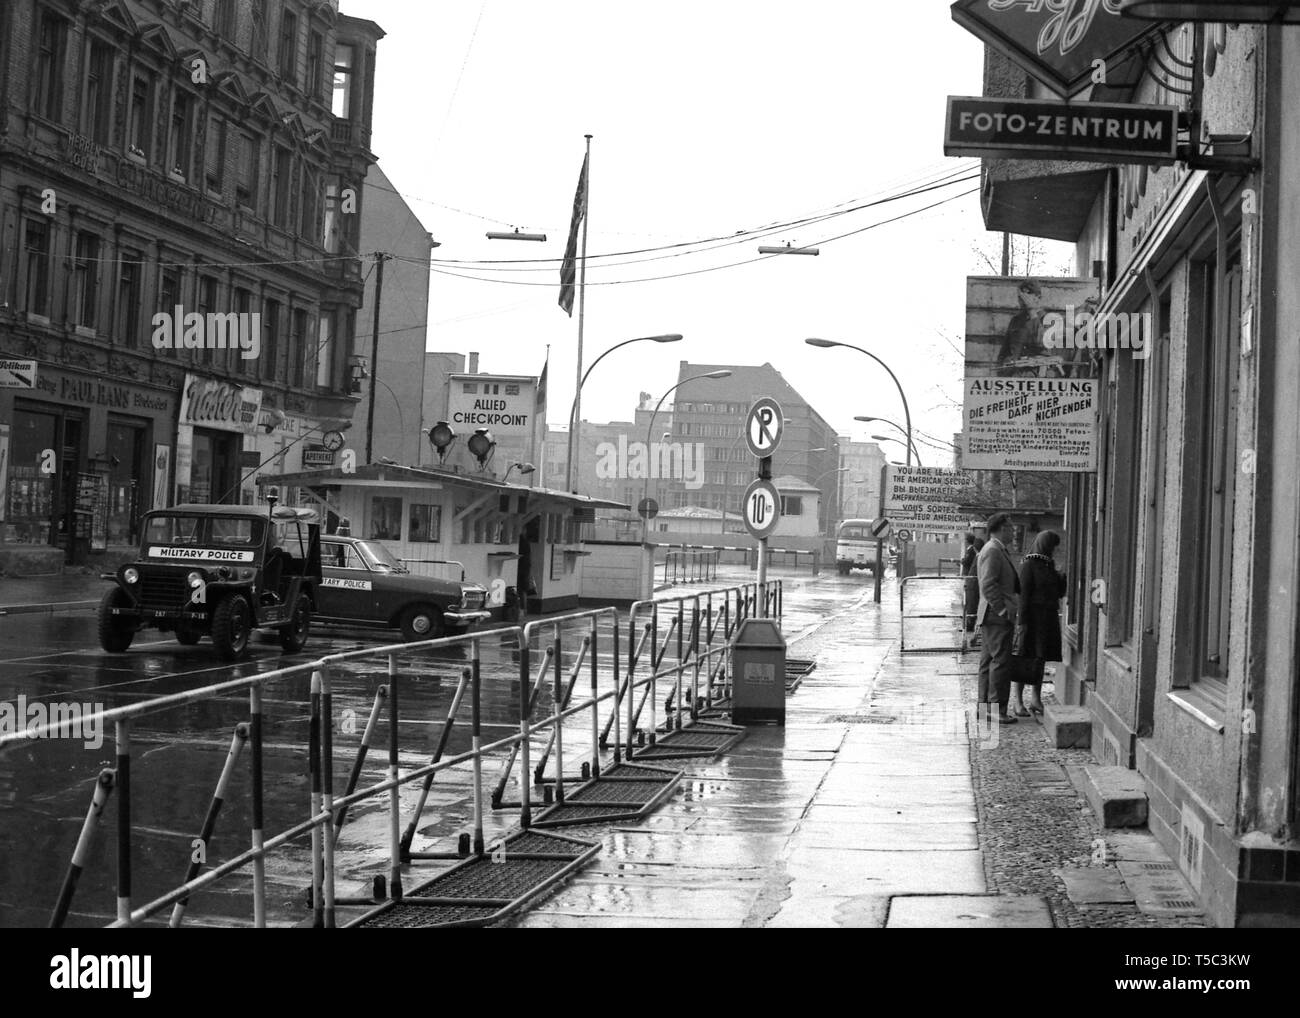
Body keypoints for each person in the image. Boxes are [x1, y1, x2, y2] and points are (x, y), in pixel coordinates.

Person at [1011, 530, 1067, 717]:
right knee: (1024, 658)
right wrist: (1022, 623)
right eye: (1052, 546)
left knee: (1040, 658)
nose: (1053, 550)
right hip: (1032, 619)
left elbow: (1058, 592)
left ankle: (1036, 699)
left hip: (1048, 618)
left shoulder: (1048, 564)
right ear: (1045, 545)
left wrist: (1063, 574)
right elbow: (1024, 596)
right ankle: (1018, 701)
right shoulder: (1029, 565)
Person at [975, 512, 1020, 724]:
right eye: (1011, 527)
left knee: (989, 662)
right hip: (996, 616)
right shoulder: (993, 550)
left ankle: (984, 707)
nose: (1013, 531)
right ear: (1002, 528)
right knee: (1000, 663)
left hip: (991, 614)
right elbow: (988, 584)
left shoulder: (995, 549)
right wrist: (1003, 610)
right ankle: (995, 709)